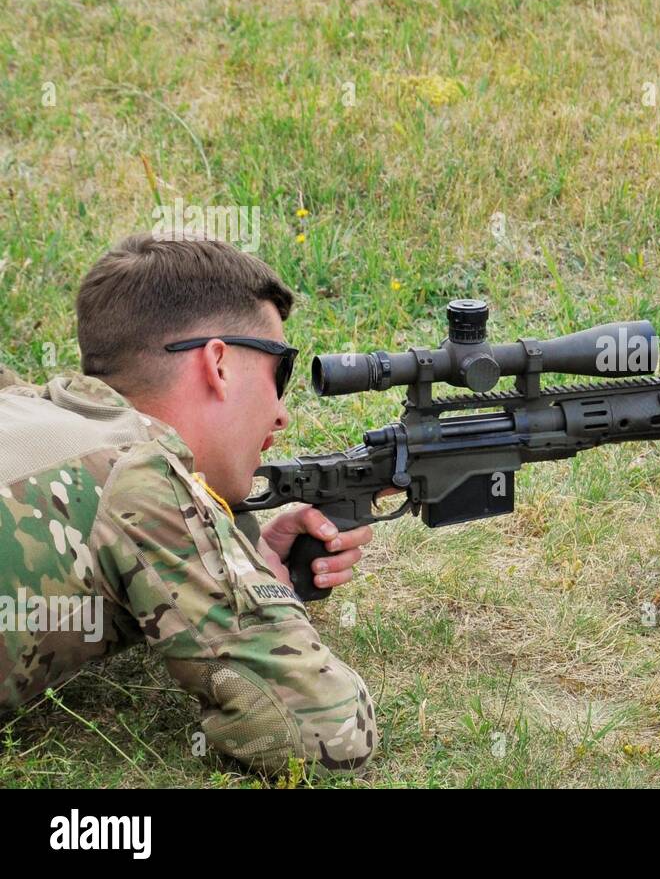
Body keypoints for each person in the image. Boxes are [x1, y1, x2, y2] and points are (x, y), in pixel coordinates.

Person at [0, 231, 378, 773]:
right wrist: (261, 600)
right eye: (280, 371)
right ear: (218, 364)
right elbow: (322, 732)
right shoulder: (137, 472)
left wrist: (233, 552)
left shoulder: (27, 410)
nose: (280, 414)